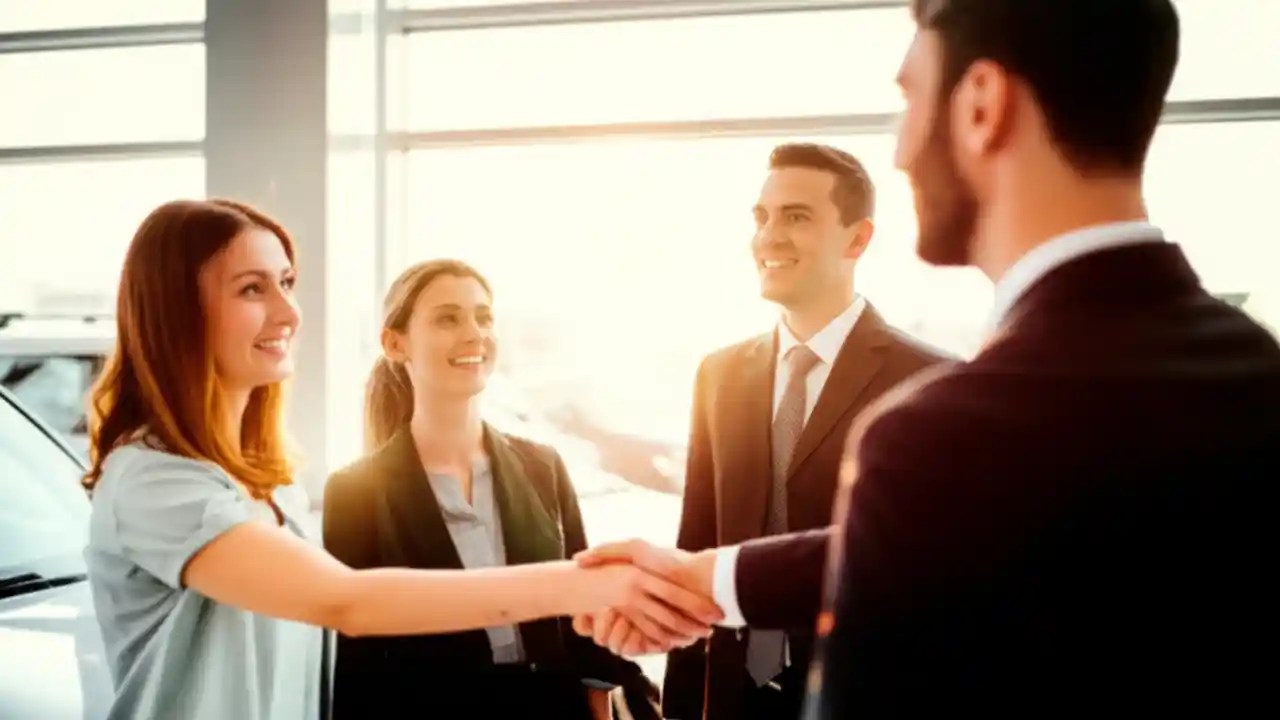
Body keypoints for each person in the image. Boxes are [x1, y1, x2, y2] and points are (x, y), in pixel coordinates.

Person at [575, 0, 1280, 716]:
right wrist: (712, 578)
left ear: (982, 105)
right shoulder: (1251, 371)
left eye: (909, 99)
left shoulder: (935, 435)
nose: (903, 149)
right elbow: (1001, 526)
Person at [82, 199, 719, 720]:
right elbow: (347, 603)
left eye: (286, 283)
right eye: (252, 288)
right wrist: (600, 581)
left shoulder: (264, 490)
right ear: (176, 311)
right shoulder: (153, 480)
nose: (288, 311)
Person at [658, 143, 948, 720]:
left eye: (796, 217)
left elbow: (941, 579)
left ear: (857, 239)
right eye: (762, 218)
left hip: (865, 695)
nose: (769, 237)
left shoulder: (930, 381)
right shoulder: (718, 375)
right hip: (733, 698)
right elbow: (696, 548)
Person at [323, 259, 658, 719]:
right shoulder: (354, 492)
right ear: (395, 343)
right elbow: (355, 666)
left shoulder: (543, 467)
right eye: (448, 318)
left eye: (483, 317)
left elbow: (582, 618)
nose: (474, 333)